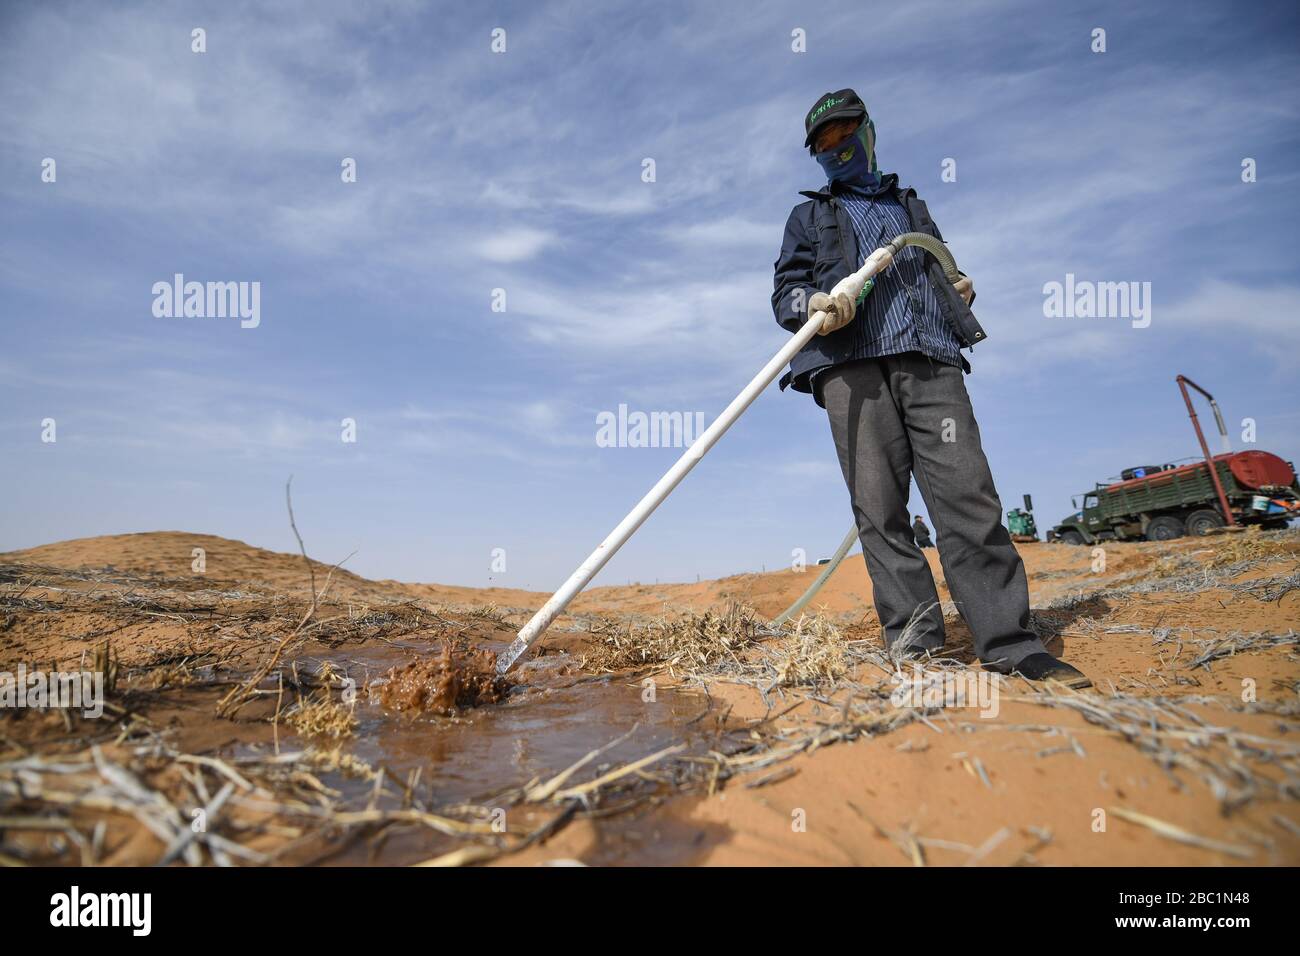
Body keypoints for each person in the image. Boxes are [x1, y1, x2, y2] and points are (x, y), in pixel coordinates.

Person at [771, 88, 1090, 688]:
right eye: (824, 145)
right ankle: (916, 650)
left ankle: (1012, 643)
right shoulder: (809, 216)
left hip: (930, 361)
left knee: (967, 496)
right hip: (851, 371)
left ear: (868, 132)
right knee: (881, 510)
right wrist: (811, 301)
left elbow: (940, 261)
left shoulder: (910, 208)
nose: (837, 151)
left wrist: (957, 285)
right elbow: (783, 291)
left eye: (845, 136)